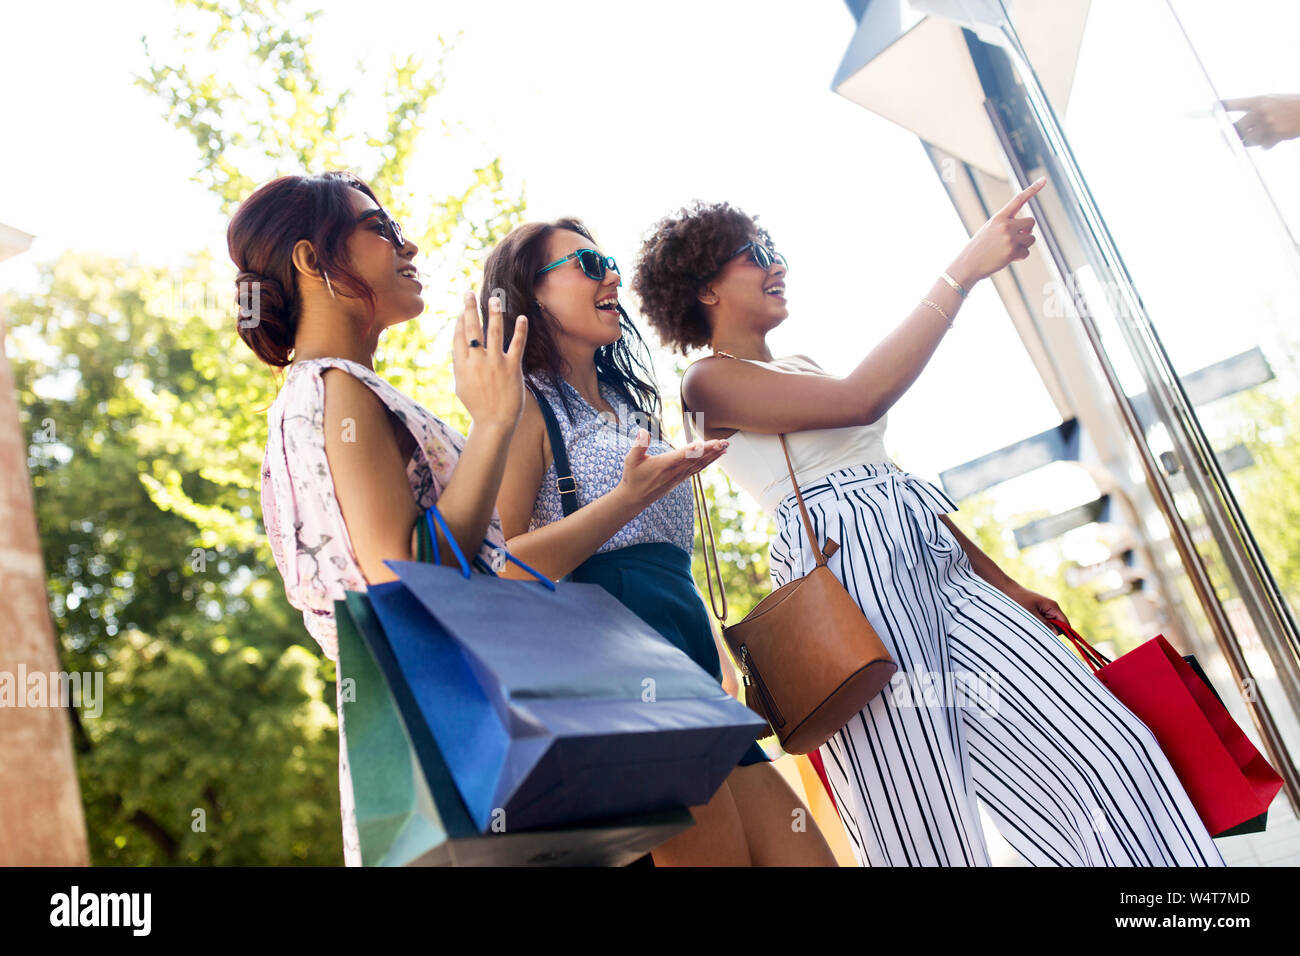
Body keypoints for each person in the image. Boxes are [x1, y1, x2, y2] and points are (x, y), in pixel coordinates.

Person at [629, 183, 1227, 867]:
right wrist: (962, 273)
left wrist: (1004, 585)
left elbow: (889, 480)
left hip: (925, 547)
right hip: (844, 578)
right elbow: (861, 400)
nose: (777, 264)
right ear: (705, 288)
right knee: (916, 814)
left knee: (1104, 745)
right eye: (754, 254)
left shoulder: (799, 366)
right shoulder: (706, 384)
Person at [483, 217, 838, 866]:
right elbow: (507, 569)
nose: (611, 275)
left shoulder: (632, 405)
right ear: (532, 296)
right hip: (619, 682)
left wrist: (716, 652)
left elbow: (665, 559)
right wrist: (626, 499)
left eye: (610, 261)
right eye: (588, 266)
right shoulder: (526, 406)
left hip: (693, 668)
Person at [228, 170, 528, 865]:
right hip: (447, 720)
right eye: (380, 228)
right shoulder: (335, 388)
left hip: (421, 722)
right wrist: (494, 423)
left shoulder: (315, 395)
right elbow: (405, 576)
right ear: (310, 260)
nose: (409, 244)